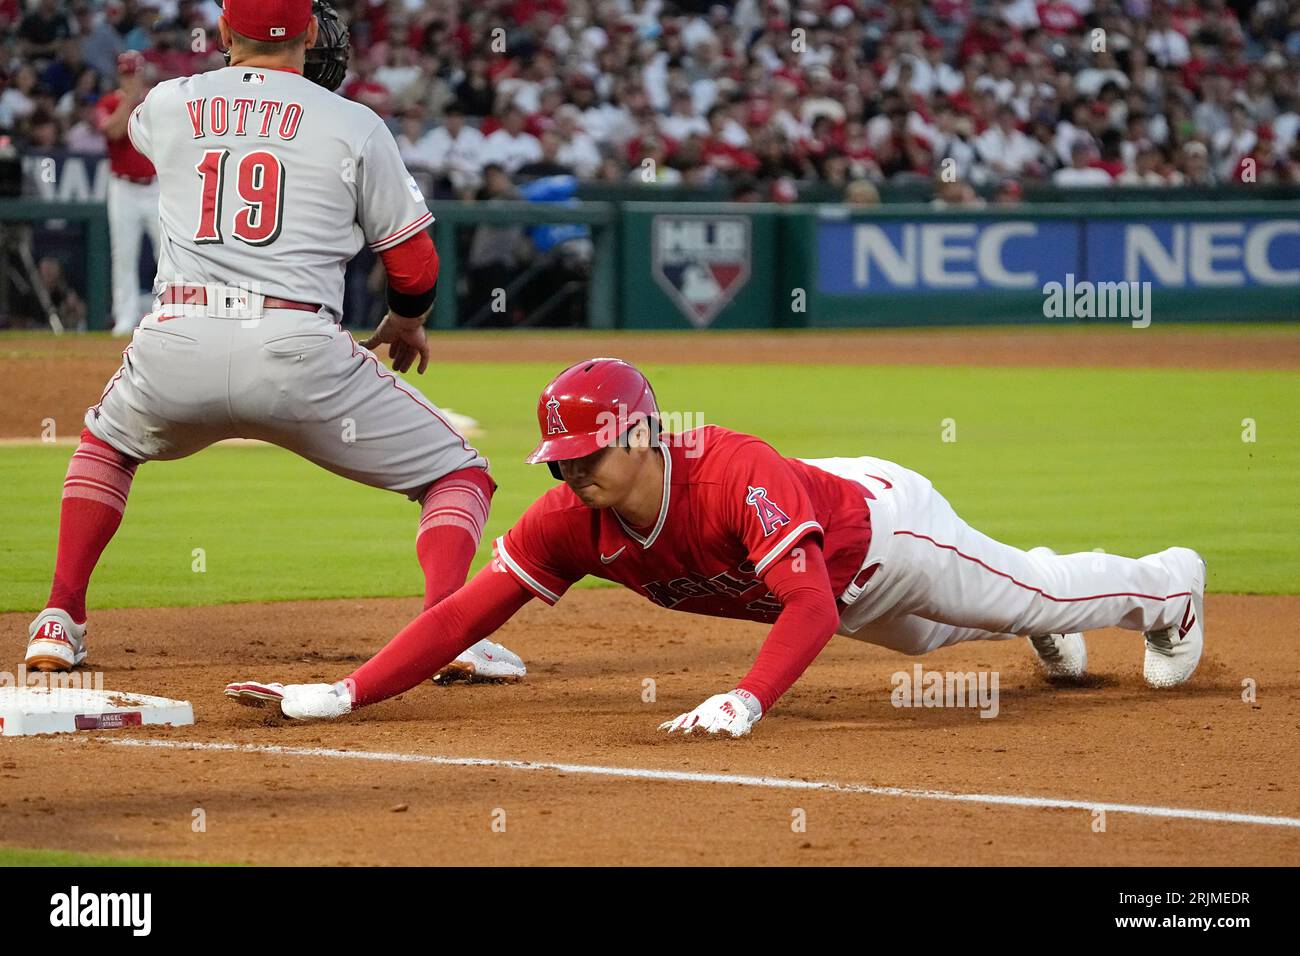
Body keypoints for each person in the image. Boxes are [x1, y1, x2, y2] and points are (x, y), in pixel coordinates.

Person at [226, 358, 1207, 737]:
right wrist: (340, 690)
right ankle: (1024, 622)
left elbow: (812, 608)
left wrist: (748, 696)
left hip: (885, 530)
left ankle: (1169, 587)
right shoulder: (570, 520)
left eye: (589, 454)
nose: (573, 476)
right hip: (829, 575)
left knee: (1024, 592)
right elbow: (464, 614)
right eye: (561, 461)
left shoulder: (732, 472)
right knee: (925, 642)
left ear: (644, 433)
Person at [23, 0, 522, 685]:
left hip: (179, 340)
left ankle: (58, 618)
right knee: (457, 475)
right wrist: (406, 321)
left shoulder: (171, 102)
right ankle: (445, 629)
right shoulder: (354, 122)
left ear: (224, 33)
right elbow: (415, 264)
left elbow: (142, 129)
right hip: (297, 346)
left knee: (107, 447)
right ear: (314, 33)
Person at [97, 51, 160, 336]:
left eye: (134, 73)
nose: (131, 78)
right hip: (123, 188)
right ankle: (125, 316)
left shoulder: (156, 102)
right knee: (124, 255)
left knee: (169, 253)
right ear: (119, 74)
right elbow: (113, 131)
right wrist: (130, 99)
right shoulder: (109, 101)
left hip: (156, 186)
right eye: (126, 73)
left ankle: (166, 312)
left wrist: (138, 98)